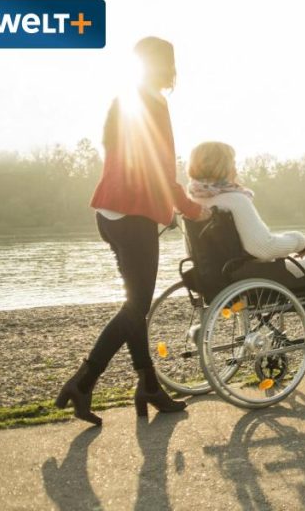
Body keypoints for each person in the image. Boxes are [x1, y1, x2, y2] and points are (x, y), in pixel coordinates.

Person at [56, 37, 211, 426]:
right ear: (167, 67)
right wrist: (192, 209)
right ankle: (84, 380)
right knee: (136, 307)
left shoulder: (122, 101)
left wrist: (164, 208)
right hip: (134, 216)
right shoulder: (155, 104)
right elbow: (159, 168)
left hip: (110, 214)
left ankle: (148, 385)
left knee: (135, 306)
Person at [185, 141, 305, 354]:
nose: (236, 167)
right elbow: (263, 248)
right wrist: (297, 240)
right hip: (253, 280)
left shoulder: (194, 203)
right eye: (233, 162)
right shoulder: (234, 200)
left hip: (218, 282)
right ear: (224, 167)